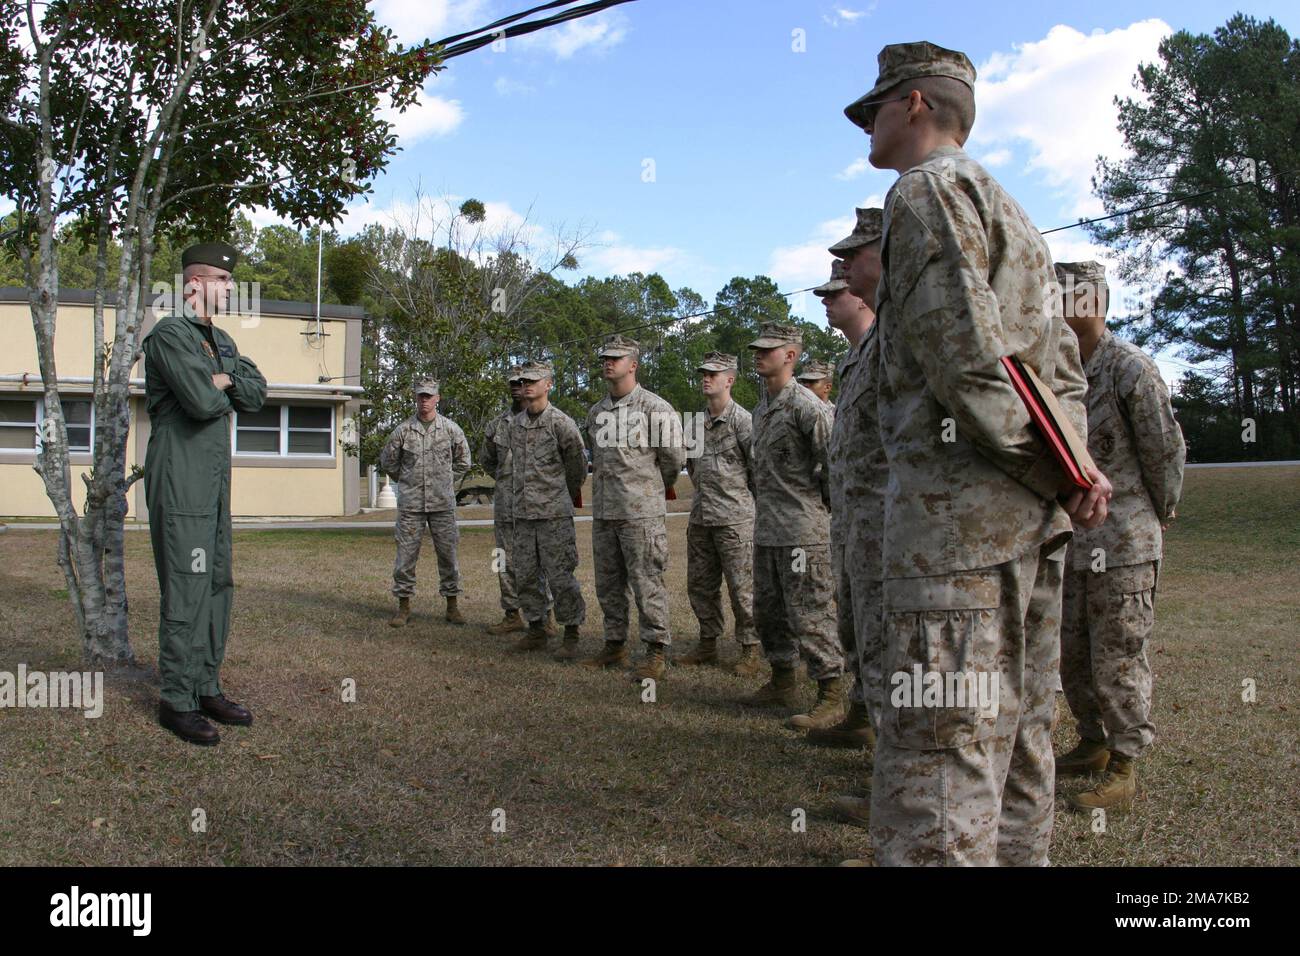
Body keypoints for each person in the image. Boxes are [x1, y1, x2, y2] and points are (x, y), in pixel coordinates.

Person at [845, 40, 1112, 865]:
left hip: (956, 528)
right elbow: (1063, 367)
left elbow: (962, 354)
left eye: (877, 107)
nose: (867, 126)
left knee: (941, 745)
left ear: (918, 103)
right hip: (1026, 522)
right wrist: (1069, 474)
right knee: (1019, 734)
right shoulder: (1014, 214)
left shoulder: (924, 192)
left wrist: (1052, 473)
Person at [1053, 261, 1185, 812]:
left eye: (1075, 296)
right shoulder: (1056, 371)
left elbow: (1163, 447)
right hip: (1073, 541)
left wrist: (1160, 512)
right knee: (1073, 653)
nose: (1064, 305)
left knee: (1119, 655)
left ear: (1098, 302)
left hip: (1125, 540)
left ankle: (1125, 764)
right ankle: (1091, 743)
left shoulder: (1130, 368)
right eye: (1057, 295)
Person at [142, 241, 267, 746]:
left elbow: (256, 394)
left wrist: (223, 376)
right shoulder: (170, 332)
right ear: (193, 284)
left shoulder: (223, 342)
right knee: (186, 582)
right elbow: (198, 401)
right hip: (181, 474)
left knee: (217, 581)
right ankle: (177, 698)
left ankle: (206, 684)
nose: (231, 287)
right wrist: (218, 385)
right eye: (222, 278)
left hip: (213, 482)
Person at [809, 211, 886, 760]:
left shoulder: (892, 346)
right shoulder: (852, 359)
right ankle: (860, 715)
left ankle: (887, 741)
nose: (828, 299)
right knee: (855, 625)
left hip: (886, 522)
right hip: (851, 522)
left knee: (887, 638)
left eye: (836, 290)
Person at [742, 322, 843, 728]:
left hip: (803, 532)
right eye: (757, 349)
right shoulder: (762, 409)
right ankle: (782, 679)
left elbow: (833, 466)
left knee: (810, 612)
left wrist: (820, 512)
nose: (759, 355)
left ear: (791, 356)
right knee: (768, 611)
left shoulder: (807, 406)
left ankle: (832, 692)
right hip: (767, 529)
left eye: (769, 349)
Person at [582, 334, 685, 679]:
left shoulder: (655, 408)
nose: (608, 363)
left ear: (633, 364)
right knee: (608, 584)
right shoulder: (596, 412)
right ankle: (614, 645)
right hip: (605, 512)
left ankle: (656, 651)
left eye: (616, 358)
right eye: (604, 358)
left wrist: (650, 490)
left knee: (647, 582)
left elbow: (672, 460)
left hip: (641, 514)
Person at [680, 352, 760, 674]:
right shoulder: (694, 425)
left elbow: (757, 471)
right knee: (700, 585)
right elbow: (691, 467)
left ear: (730, 380)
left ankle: (751, 648)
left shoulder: (744, 421)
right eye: (703, 373)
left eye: (713, 374)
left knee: (743, 588)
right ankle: (707, 642)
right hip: (701, 519)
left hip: (735, 521)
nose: (706, 378)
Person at [504, 361, 590, 660]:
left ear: (548, 384)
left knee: (561, 576)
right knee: (526, 574)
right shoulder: (515, 425)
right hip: (523, 514)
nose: (527, 385)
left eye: (534, 380)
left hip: (554, 514)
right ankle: (537, 628)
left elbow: (577, 467)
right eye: (523, 380)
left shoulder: (561, 423)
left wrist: (559, 495)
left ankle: (571, 632)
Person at [379, 378, 471, 628]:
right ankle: (403, 607)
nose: (424, 400)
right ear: (415, 398)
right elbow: (388, 462)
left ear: (437, 398)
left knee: (448, 556)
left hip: (442, 505)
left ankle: (452, 606)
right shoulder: (403, 431)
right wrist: (408, 480)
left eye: (429, 396)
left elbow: (464, 461)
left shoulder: (451, 429)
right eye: (421, 396)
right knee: (405, 558)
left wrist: (445, 481)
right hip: (411, 506)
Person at [481, 367, 553, 636]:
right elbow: (487, 460)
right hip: (506, 506)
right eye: (512, 383)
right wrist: (506, 480)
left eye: (521, 383)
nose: (516, 388)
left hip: (538, 505)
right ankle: (511, 613)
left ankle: (546, 616)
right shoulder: (497, 425)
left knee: (540, 560)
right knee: (502, 559)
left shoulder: (548, 419)